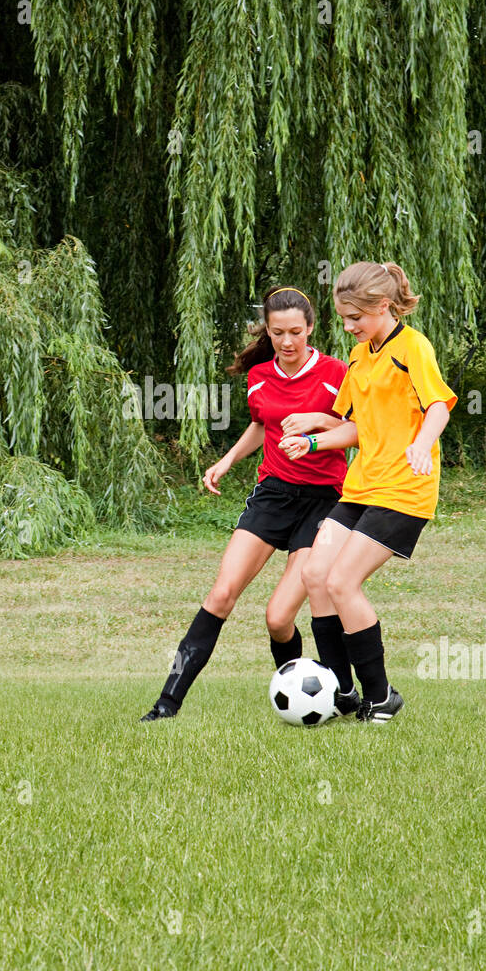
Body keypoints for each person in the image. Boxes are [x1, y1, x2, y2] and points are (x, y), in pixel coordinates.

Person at [140, 286, 349, 721]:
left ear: (310, 328)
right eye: (278, 333)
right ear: (267, 332)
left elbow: (358, 426)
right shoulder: (259, 377)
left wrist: (317, 424)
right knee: (221, 594)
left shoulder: (337, 372)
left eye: (296, 331)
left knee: (277, 618)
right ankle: (166, 705)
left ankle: (314, 698)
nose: (288, 342)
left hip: (324, 501)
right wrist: (228, 459)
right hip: (273, 494)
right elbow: (260, 426)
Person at [279, 261, 457, 723]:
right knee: (316, 574)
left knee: (342, 582)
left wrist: (421, 444)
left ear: (383, 306)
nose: (348, 327)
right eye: (343, 318)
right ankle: (341, 692)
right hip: (363, 485)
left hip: (403, 489)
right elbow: (355, 428)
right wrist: (313, 441)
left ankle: (381, 697)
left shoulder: (413, 347)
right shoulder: (359, 357)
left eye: (355, 318)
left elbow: (438, 406)